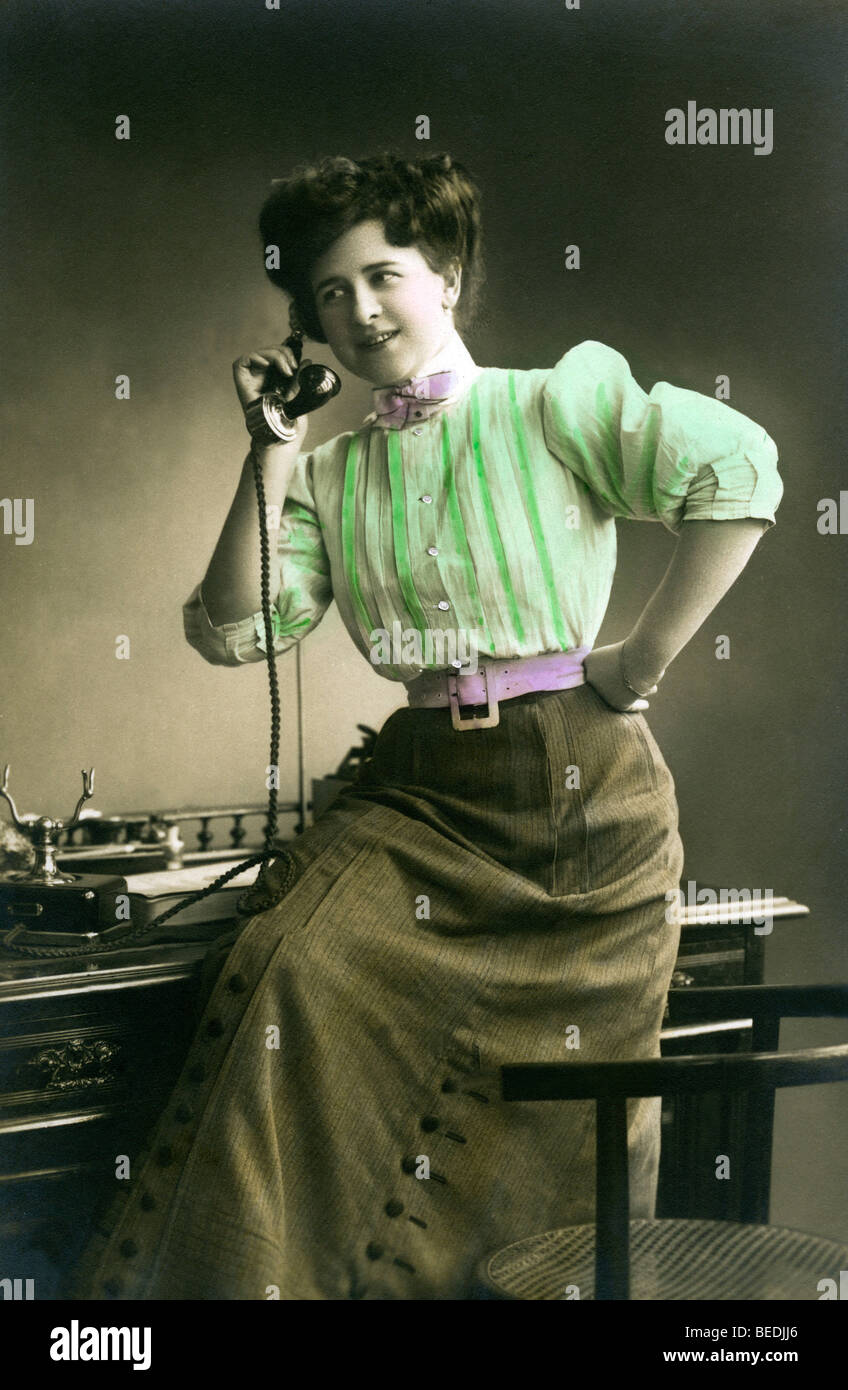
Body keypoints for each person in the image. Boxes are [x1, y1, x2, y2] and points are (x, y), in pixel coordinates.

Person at [70, 150, 782, 1301]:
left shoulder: (552, 403)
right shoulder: (331, 472)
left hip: (581, 794)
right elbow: (233, 628)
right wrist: (271, 449)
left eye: (382, 275)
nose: (356, 311)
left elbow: (737, 471)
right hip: (421, 791)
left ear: (443, 273)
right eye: (328, 297)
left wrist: (636, 666)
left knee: (554, 1118)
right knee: (279, 976)